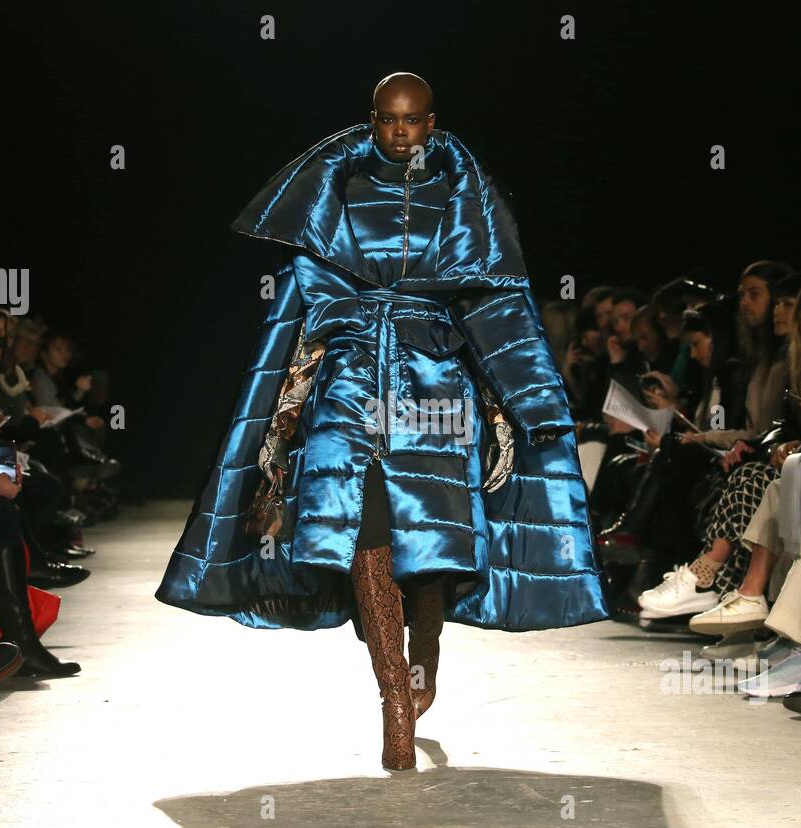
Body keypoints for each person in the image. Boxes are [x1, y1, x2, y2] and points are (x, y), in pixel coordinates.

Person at [157, 73, 608, 771]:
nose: (400, 132)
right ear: (373, 120)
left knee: (429, 552)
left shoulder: (464, 190)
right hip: (353, 377)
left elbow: (495, 299)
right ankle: (394, 697)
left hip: (434, 384)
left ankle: (423, 651)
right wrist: (305, 377)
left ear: (433, 124)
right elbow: (310, 291)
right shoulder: (335, 183)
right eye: (389, 120)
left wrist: (522, 395)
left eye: (414, 121)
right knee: (364, 529)